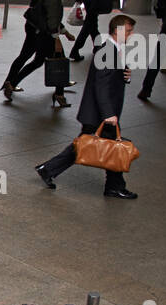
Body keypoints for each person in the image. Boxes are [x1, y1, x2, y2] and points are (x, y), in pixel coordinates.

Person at [34, 13, 139, 199]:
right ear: (118, 31)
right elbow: (101, 85)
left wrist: (126, 76)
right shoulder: (108, 51)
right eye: (128, 31)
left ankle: (48, 169)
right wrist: (109, 114)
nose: (131, 35)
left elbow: (111, 79)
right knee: (111, 148)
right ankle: (114, 186)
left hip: (97, 112)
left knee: (83, 146)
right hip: (101, 113)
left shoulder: (112, 49)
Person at [0, 0, 76, 107]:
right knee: (59, 61)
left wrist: (65, 32)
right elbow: (52, 20)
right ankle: (59, 94)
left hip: (36, 30)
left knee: (35, 60)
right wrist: (57, 38)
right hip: (44, 34)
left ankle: (11, 83)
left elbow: (50, 17)